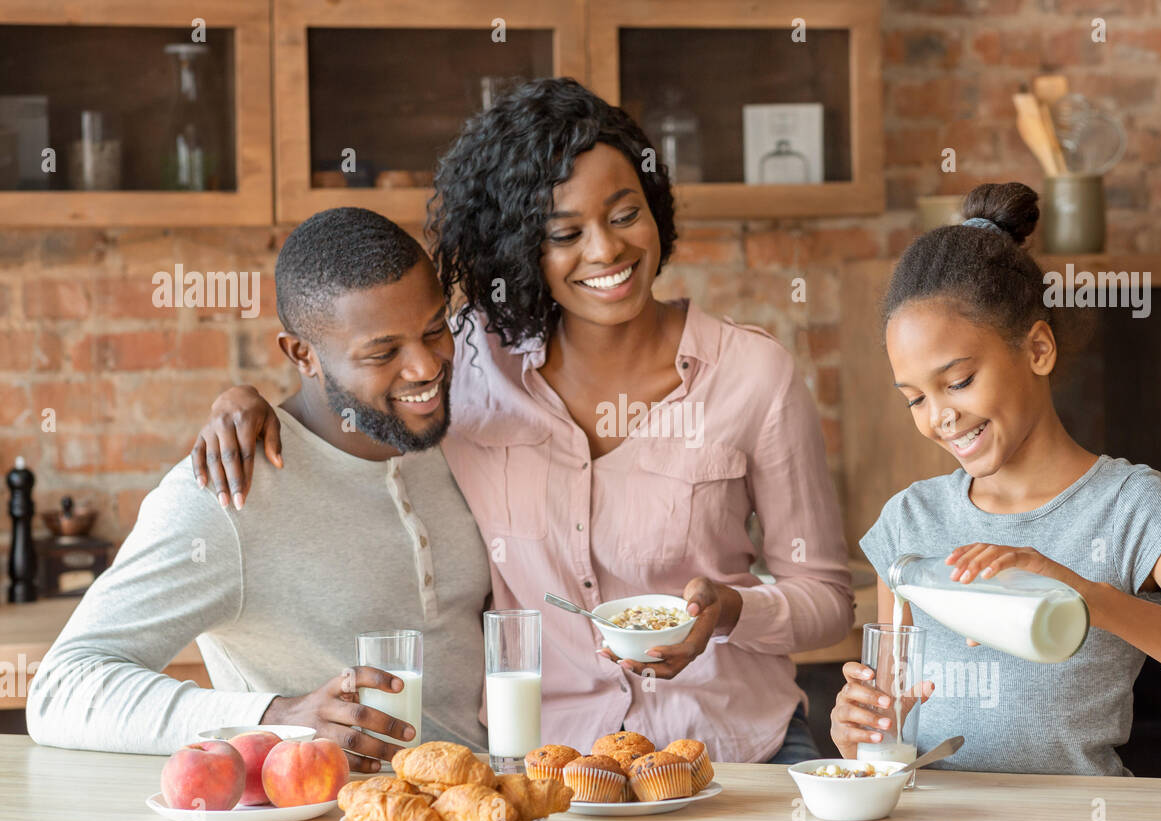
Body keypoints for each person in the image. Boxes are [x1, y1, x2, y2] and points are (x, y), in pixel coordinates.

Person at [190, 77, 854, 764]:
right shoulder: (474, 359)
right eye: (564, 234)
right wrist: (245, 400)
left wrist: (735, 610)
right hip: (545, 767)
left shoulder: (752, 374)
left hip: (734, 755)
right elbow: (363, 382)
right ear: (518, 250)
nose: (605, 252)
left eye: (625, 214)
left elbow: (827, 599)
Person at [830, 181, 1161, 775]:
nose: (940, 416)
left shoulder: (1129, 506)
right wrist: (859, 733)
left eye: (960, 381)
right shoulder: (910, 522)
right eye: (915, 398)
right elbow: (886, 737)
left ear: (1038, 348)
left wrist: (1088, 600)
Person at [27, 208, 492, 771]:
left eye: (434, 329)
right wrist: (278, 719)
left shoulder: (462, 440)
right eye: (382, 352)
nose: (425, 367)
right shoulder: (229, 493)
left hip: (486, 815)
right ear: (302, 355)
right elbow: (62, 688)